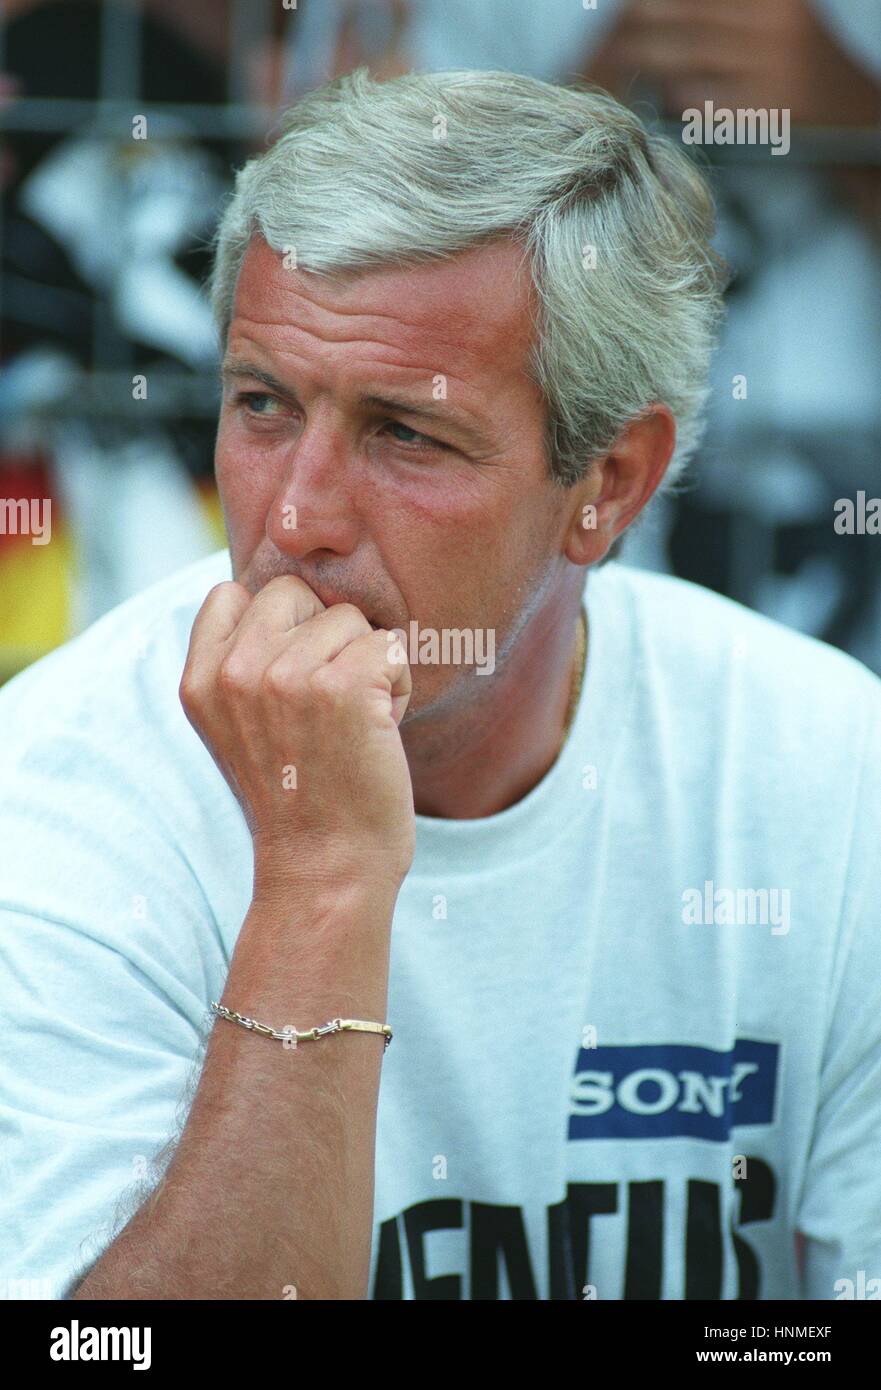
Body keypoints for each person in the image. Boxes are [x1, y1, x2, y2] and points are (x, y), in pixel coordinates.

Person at [1, 68, 879, 1302]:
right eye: (262, 403)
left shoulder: (824, 766)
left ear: (609, 485)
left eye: (404, 433)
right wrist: (320, 884)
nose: (295, 515)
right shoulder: (56, 781)